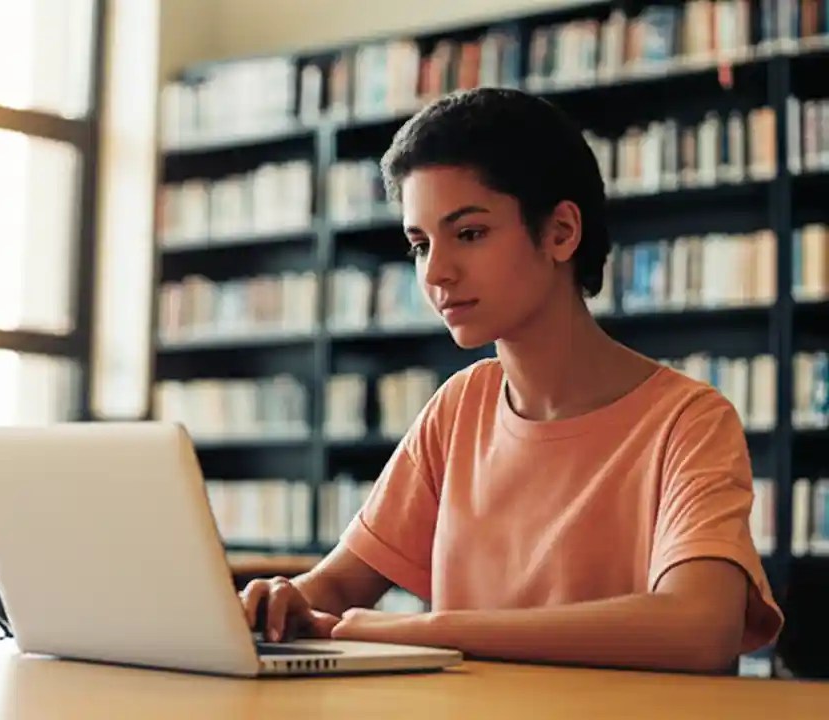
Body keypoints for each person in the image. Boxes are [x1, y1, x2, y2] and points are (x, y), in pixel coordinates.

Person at [239, 87, 784, 674]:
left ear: (560, 233)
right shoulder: (459, 407)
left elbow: (700, 629)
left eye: (469, 234)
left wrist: (425, 631)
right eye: (419, 244)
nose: (437, 273)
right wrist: (285, 602)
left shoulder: (688, 421)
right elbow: (338, 588)